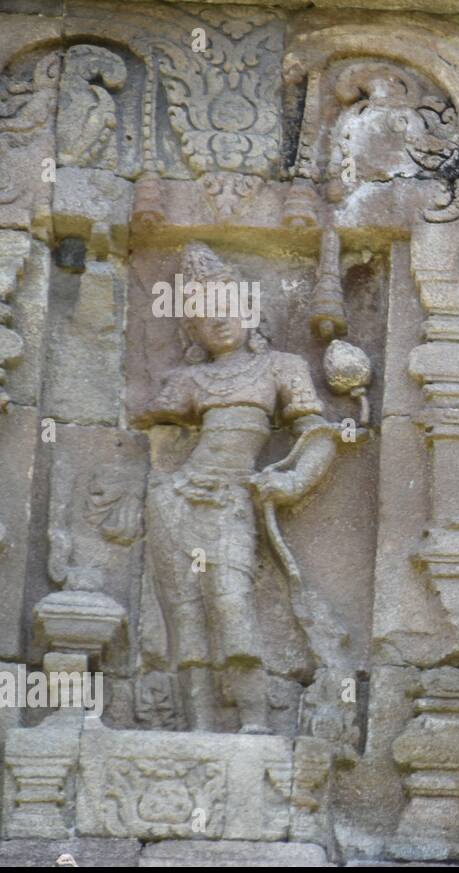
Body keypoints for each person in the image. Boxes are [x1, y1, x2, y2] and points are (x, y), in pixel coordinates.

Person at [137, 243, 337, 733]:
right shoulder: (190, 380)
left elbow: (317, 434)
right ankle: (198, 728)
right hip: (175, 500)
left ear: (251, 312)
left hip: (231, 499)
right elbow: (146, 411)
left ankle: (254, 721)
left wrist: (293, 480)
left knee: (230, 602)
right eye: (204, 316)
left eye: (229, 308)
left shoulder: (281, 368)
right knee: (184, 613)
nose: (219, 322)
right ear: (191, 329)